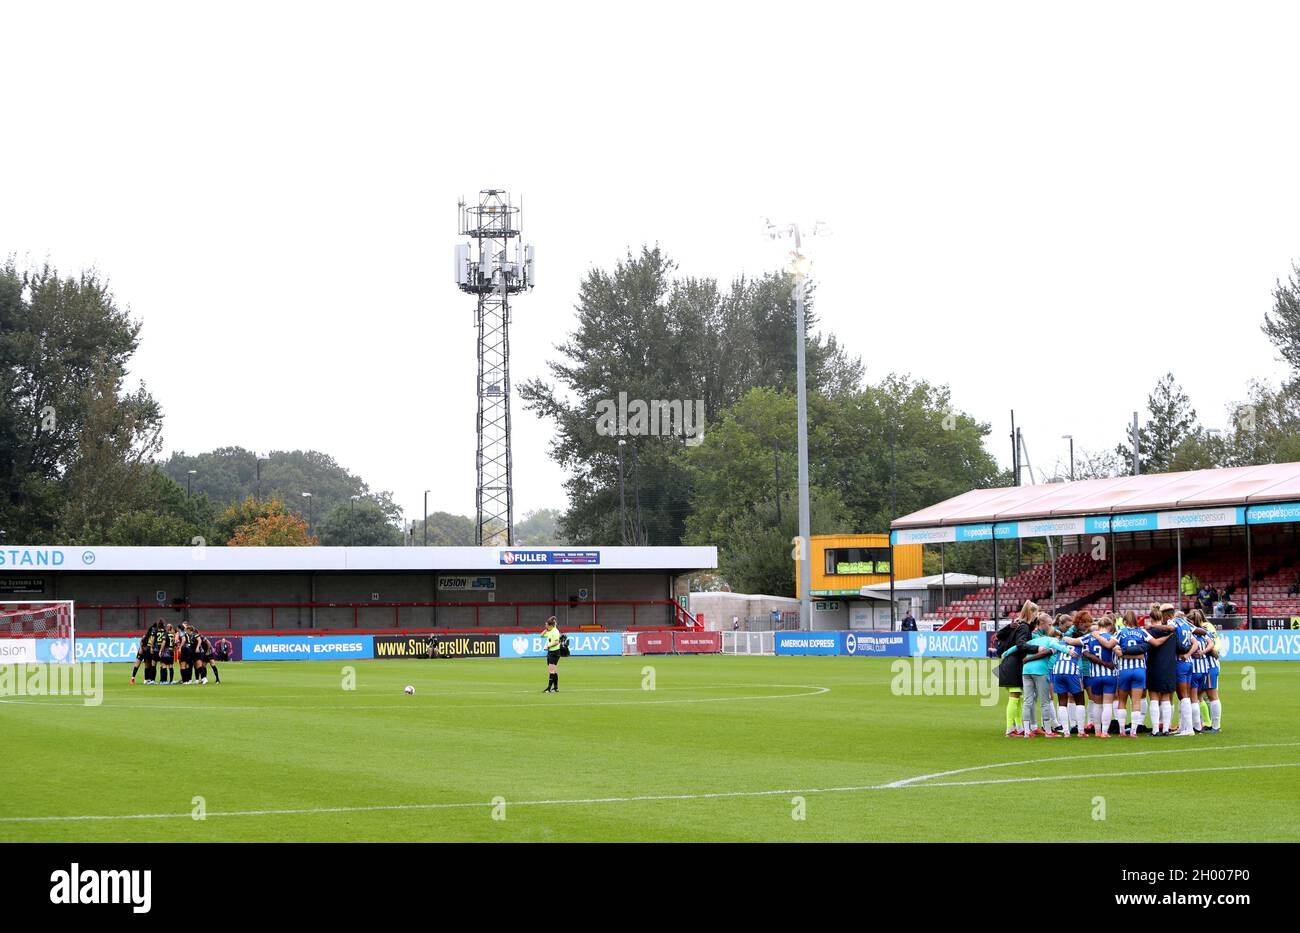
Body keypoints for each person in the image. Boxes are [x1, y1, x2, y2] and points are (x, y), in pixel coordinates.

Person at [1080, 616, 1118, 737]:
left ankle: (1097, 731)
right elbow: (1118, 652)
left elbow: (1085, 653)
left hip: (1094, 676)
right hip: (1109, 675)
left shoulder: (1089, 638)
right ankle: (1105, 732)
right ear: (1110, 626)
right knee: (1107, 704)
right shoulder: (1112, 638)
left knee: (1097, 704)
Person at [542, 616, 563, 693]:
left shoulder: (555, 632)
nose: (545, 625)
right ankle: (556, 688)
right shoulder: (550, 631)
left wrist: (548, 646)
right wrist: (546, 629)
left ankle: (549, 688)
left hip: (554, 652)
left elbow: (557, 642)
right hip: (551, 652)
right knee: (553, 670)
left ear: (550, 625)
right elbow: (541, 635)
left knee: (551, 670)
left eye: (546, 624)